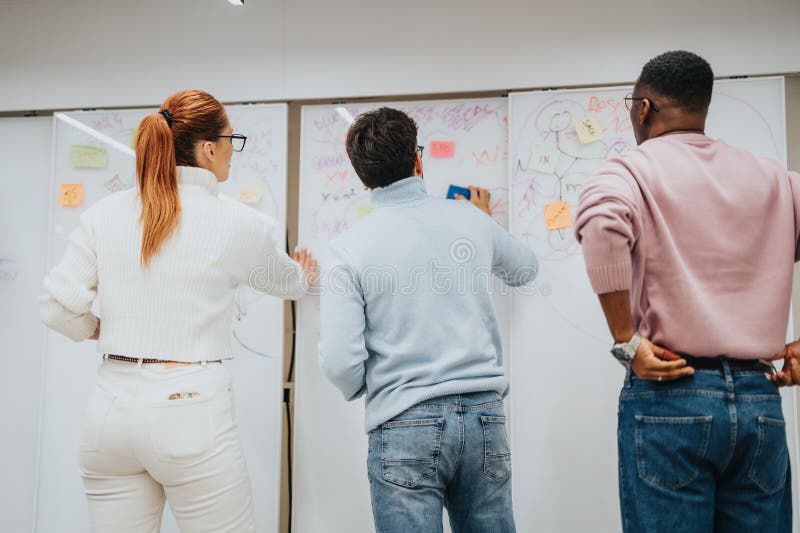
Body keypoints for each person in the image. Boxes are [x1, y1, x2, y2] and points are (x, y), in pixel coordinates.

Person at [40, 89, 316, 533]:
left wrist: (100, 329)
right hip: (190, 411)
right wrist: (302, 273)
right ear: (209, 149)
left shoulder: (104, 214)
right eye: (231, 140)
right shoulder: (240, 223)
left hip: (108, 414)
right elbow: (287, 282)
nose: (233, 151)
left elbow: (57, 309)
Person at [575, 50, 799, 532]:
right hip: (760, 400)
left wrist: (626, 340)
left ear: (644, 108)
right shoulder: (773, 178)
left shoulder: (628, 172)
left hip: (671, 395)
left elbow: (602, 225)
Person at [318, 107, 538, 532]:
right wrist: (482, 228)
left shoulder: (348, 248)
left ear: (361, 177)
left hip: (403, 422)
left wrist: (376, 386)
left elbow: (339, 362)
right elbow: (525, 269)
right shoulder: (470, 219)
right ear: (417, 159)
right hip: (484, 417)